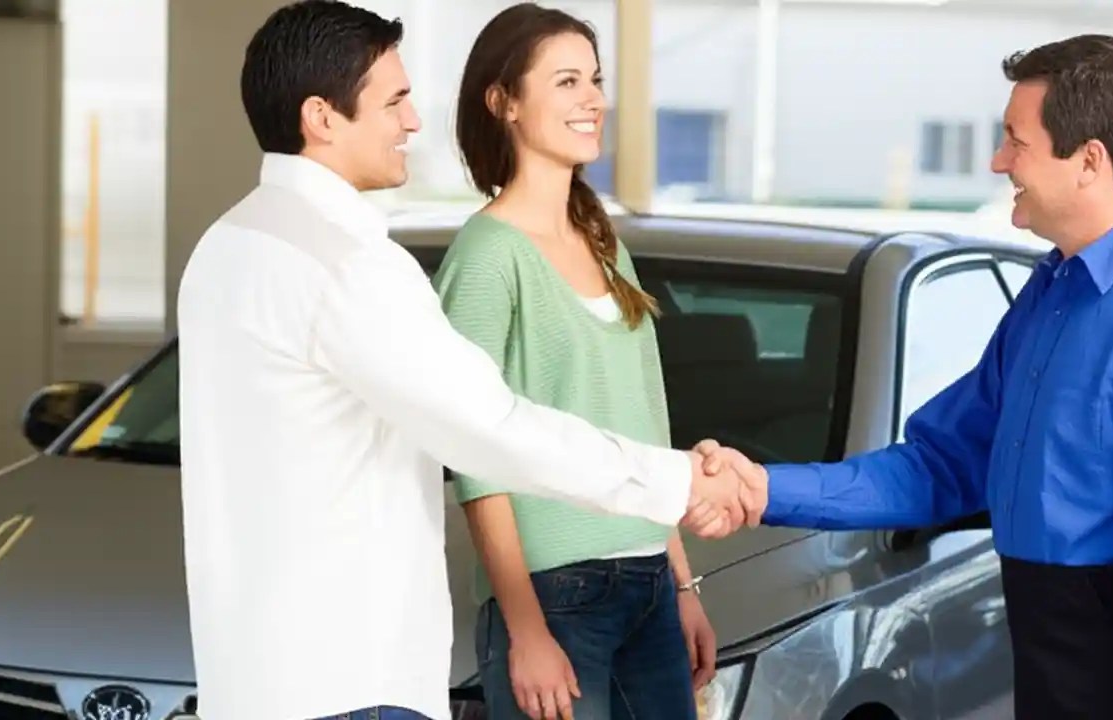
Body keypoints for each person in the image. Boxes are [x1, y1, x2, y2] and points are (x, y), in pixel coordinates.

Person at [174, 3, 759, 720]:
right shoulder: (351, 265)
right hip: (353, 681)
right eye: (393, 102)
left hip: (259, 679)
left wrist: (676, 568)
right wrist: (677, 482)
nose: (412, 122)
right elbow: (489, 430)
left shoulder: (227, 246)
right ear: (323, 118)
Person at [698, 34, 1113, 719]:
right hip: (1059, 675)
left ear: (1089, 161)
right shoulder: (1051, 295)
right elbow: (941, 468)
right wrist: (760, 488)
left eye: (1014, 142)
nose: (999, 163)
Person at [432, 6, 715, 720]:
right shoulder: (487, 257)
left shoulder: (603, 243)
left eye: (594, 78)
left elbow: (647, 427)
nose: (593, 98)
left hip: (648, 580)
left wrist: (682, 585)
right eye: (566, 81)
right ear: (505, 103)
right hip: (553, 593)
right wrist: (523, 629)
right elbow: (474, 455)